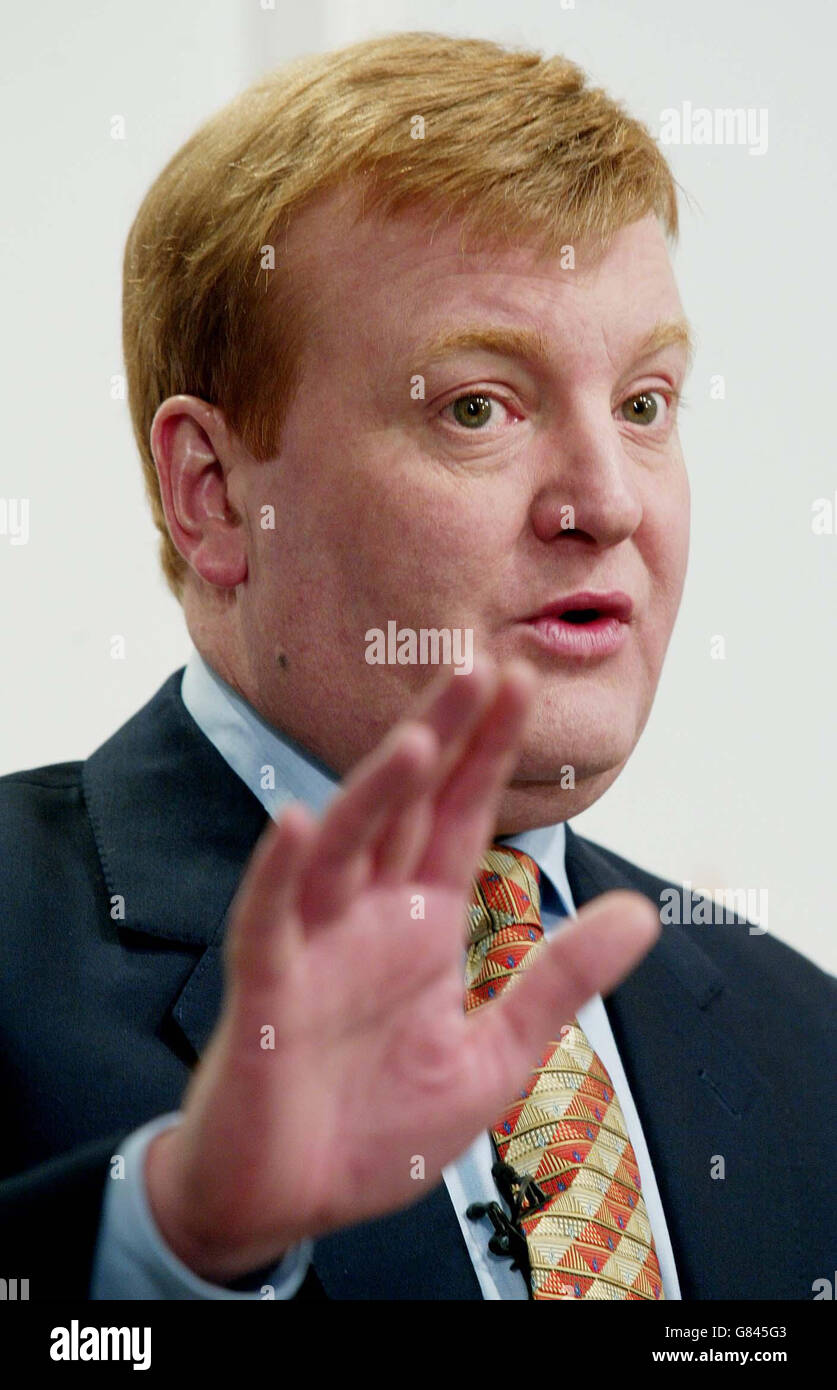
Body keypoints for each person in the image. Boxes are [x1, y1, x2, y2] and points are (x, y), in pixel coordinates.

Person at [0, 31, 832, 1303]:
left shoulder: (806, 1044)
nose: (607, 504)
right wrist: (178, 1239)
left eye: (645, 403)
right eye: (479, 407)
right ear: (216, 498)